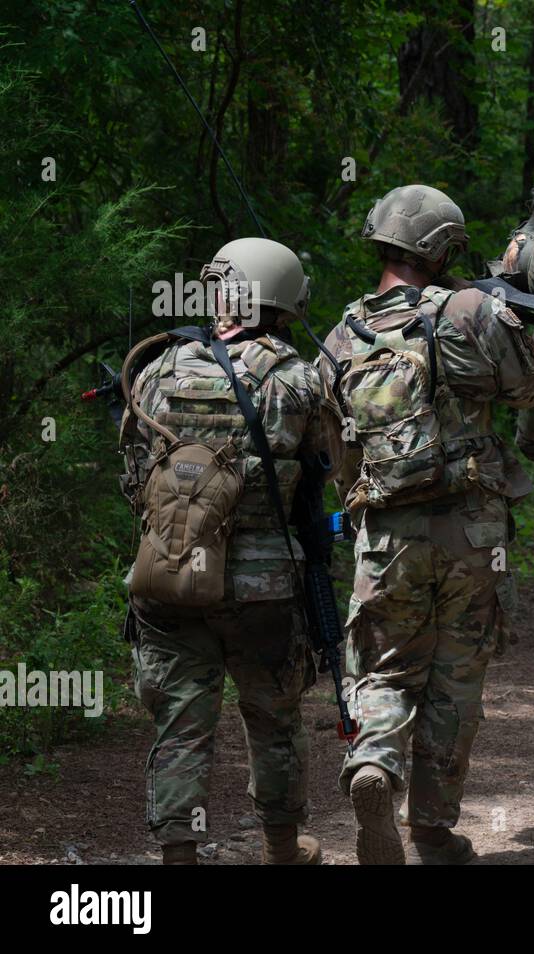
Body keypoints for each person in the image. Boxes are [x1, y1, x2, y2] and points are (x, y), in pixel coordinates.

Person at [318, 184, 534, 864]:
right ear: (443, 248)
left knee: (385, 671)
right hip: (471, 532)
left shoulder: (341, 334)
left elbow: (331, 444)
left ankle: (373, 767)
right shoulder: (471, 310)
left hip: (384, 534)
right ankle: (431, 829)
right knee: (455, 679)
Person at [121, 237, 342, 864]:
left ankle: (180, 858)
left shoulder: (158, 369)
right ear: (283, 298)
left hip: (168, 576)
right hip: (263, 585)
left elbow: (137, 477)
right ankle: (280, 848)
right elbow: (329, 466)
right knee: (274, 721)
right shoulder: (297, 379)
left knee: (179, 727)